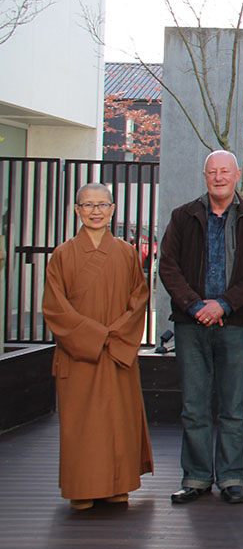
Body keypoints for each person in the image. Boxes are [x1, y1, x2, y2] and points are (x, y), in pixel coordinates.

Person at [159, 150, 243, 505]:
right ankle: (196, 477)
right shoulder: (183, 217)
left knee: (232, 407)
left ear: (237, 174)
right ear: (205, 175)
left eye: (225, 171)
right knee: (193, 406)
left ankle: (231, 477)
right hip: (190, 324)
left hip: (234, 324)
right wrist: (196, 306)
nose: (219, 177)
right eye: (212, 172)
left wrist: (223, 304)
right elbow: (168, 266)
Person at [42, 182, 153, 510]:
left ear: (112, 209)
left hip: (117, 351)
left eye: (102, 205)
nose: (95, 211)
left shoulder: (125, 252)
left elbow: (139, 299)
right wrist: (97, 336)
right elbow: (55, 308)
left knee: (118, 422)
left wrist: (114, 336)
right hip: (79, 353)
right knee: (82, 425)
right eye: (88, 205)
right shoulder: (62, 255)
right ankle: (82, 489)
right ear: (77, 210)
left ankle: (117, 485)